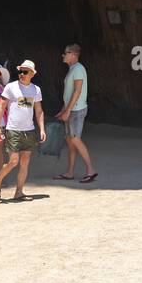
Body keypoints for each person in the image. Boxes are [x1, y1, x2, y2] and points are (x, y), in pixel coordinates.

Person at [0, 60, 46, 201]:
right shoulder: (10, 87)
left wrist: (42, 129)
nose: (22, 74)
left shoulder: (36, 90)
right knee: (13, 161)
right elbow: (1, 108)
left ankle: (19, 192)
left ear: (32, 74)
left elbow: (39, 111)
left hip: (29, 130)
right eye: (20, 71)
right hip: (13, 129)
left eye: (25, 72)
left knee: (25, 161)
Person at [56, 44, 97, 182]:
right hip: (71, 109)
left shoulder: (78, 69)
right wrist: (63, 109)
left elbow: (77, 91)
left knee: (74, 139)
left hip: (76, 110)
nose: (63, 55)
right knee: (70, 141)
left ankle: (90, 170)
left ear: (73, 54)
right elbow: (69, 93)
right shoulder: (72, 69)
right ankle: (70, 172)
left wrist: (67, 110)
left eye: (65, 53)